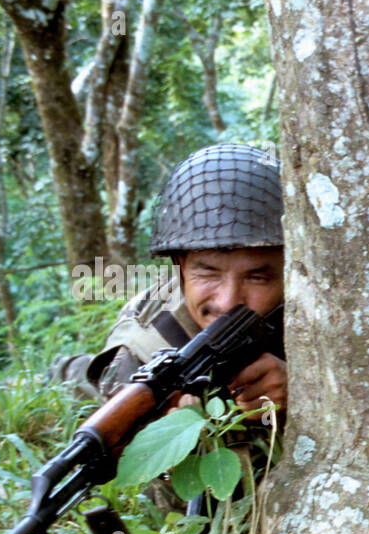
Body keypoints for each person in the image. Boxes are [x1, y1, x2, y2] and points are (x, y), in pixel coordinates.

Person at [55, 143, 287, 415]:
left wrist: (302, 388)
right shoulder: (141, 352)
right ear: (181, 266)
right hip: (114, 368)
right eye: (208, 272)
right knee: (80, 376)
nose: (228, 301)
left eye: (257, 277)